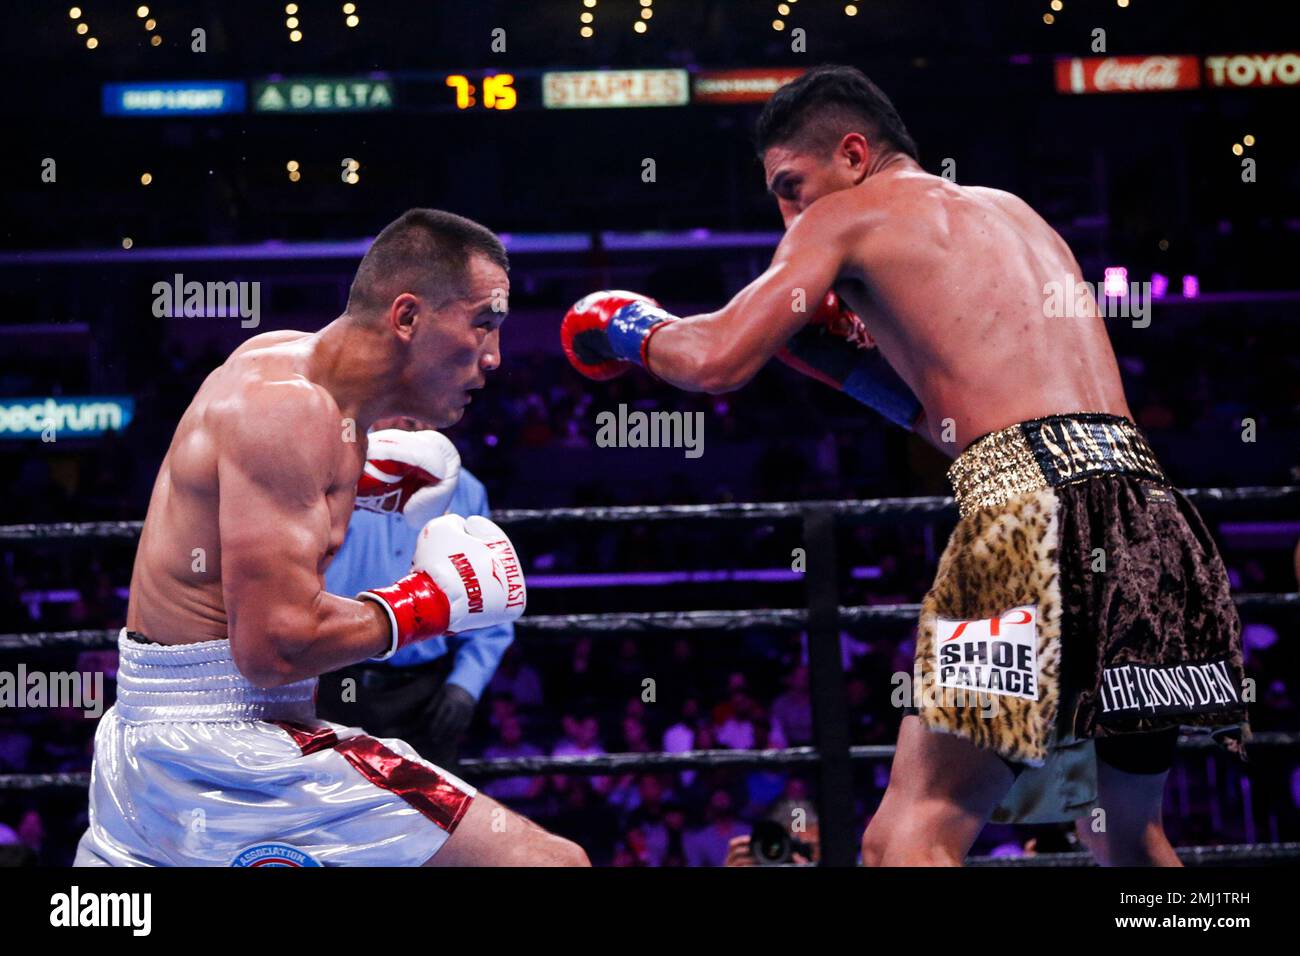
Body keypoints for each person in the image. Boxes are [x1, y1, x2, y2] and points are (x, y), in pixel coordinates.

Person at [560, 65, 1246, 866]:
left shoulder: (844, 217)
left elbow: (715, 361)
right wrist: (840, 366)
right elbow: (965, 419)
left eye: (791, 185)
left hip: (1023, 520)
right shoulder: (1018, 215)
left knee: (909, 837)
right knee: (1122, 832)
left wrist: (623, 323)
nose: (788, 213)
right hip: (1149, 515)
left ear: (854, 152)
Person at [76, 208, 588, 866]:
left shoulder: (289, 368)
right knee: (551, 863)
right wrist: (429, 602)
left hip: (165, 739)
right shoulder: (289, 412)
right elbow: (274, 648)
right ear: (408, 318)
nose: (494, 358)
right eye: (484, 325)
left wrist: (366, 485)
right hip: (224, 742)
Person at [317, 419, 514, 770]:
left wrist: (464, 686)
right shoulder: (332, 475)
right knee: (332, 810)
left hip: (423, 692)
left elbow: (490, 595)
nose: (410, 420)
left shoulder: (466, 490)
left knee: (432, 817)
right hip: (335, 677)